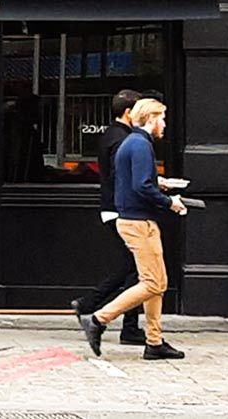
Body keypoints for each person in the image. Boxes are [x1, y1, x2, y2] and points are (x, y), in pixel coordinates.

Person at [80, 98, 187, 360]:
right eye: (162, 118)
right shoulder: (140, 144)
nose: (164, 124)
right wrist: (169, 202)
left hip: (135, 219)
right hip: (139, 222)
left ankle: (154, 341)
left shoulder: (132, 143)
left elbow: (132, 180)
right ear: (150, 118)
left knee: (158, 282)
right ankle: (98, 319)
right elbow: (141, 187)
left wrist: (157, 182)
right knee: (152, 282)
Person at [73, 90, 145, 346]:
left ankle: (94, 306)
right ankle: (122, 323)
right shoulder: (122, 139)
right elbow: (122, 176)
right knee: (138, 269)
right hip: (120, 209)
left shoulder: (113, 135)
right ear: (128, 112)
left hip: (113, 207)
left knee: (133, 267)